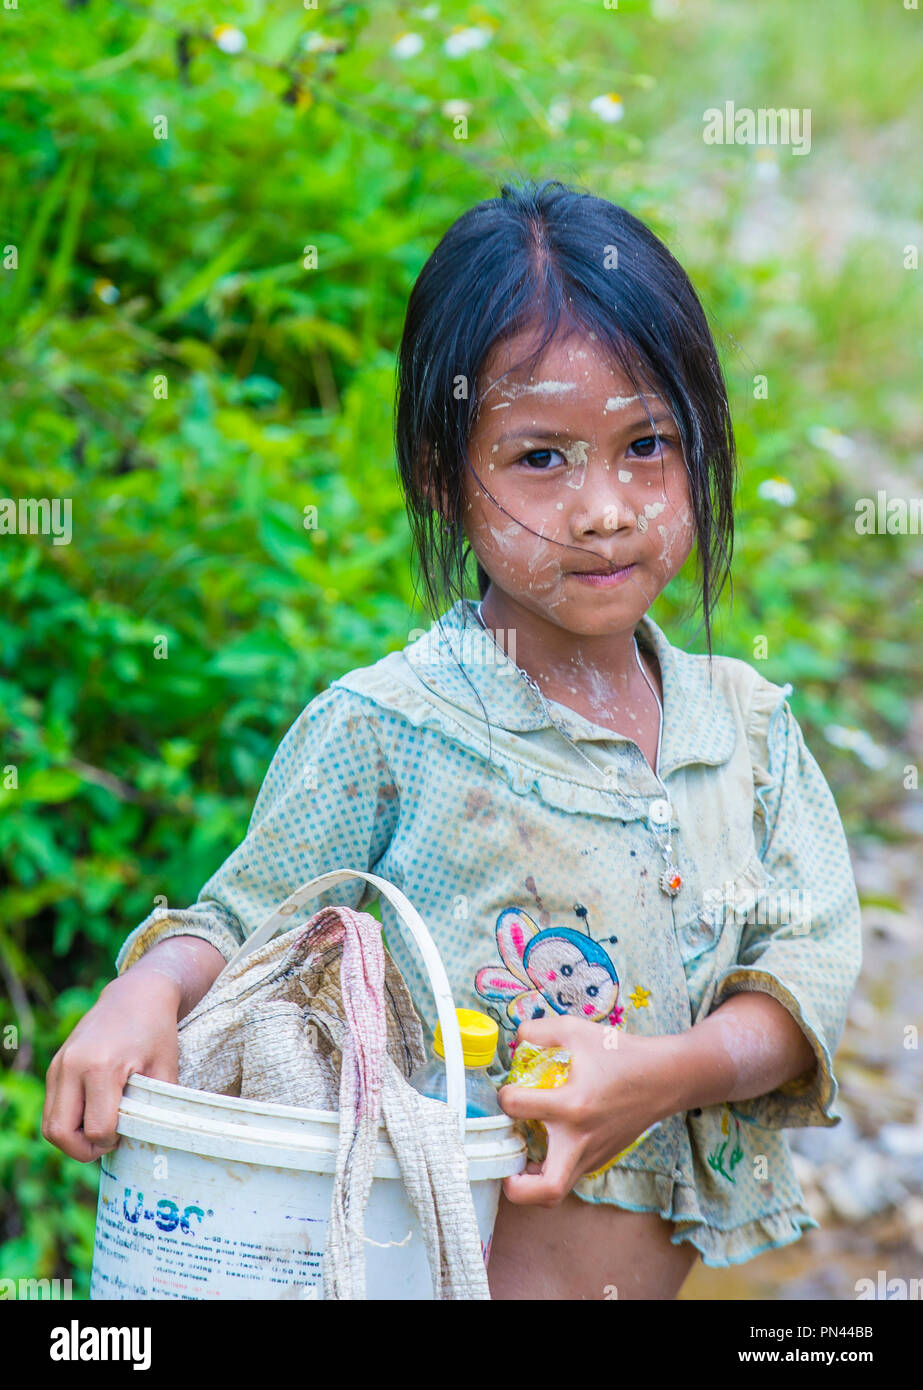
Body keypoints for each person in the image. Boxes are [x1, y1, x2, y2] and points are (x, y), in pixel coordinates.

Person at [43, 177, 863, 1300]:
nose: (604, 507)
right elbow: (244, 920)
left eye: (646, 446)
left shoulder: (750, 736)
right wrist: (143, 994)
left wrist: (662, 1072)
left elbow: (802, 975)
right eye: (540, 457)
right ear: (443, 477)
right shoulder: (390, 728)